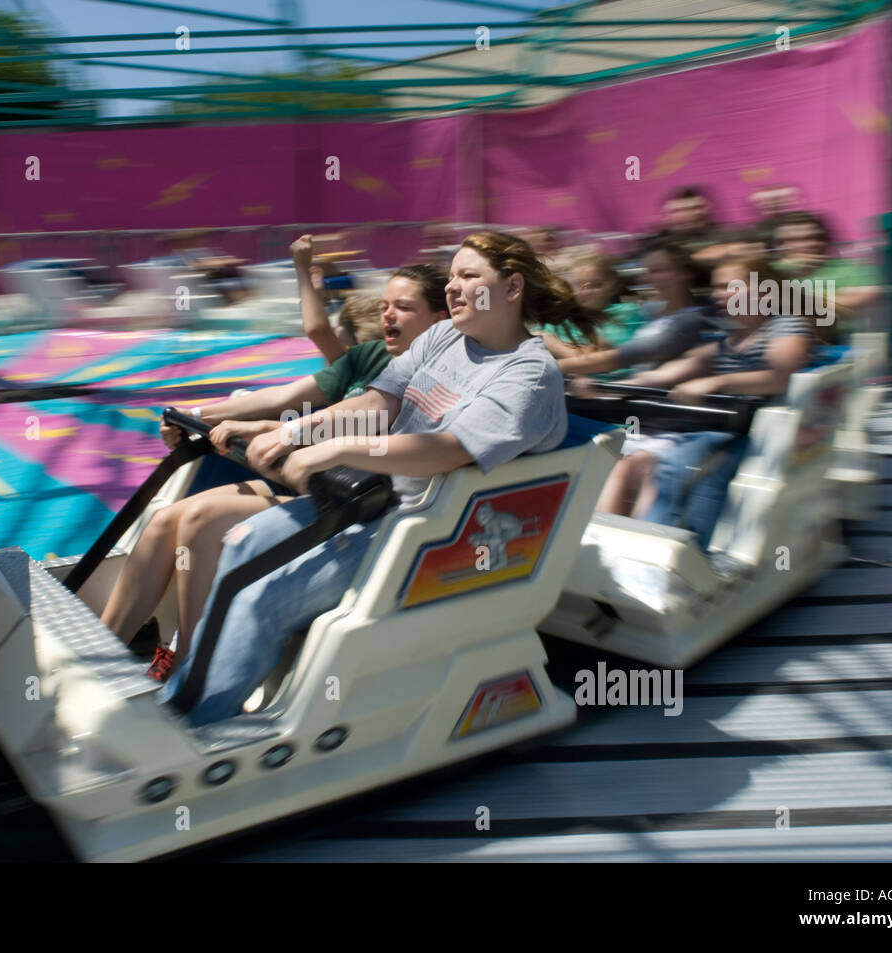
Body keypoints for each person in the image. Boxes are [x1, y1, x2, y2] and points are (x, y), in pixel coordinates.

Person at [159, 231, 603, 726]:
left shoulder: (530, 374)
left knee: (266, 592)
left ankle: (193, 722)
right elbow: (377, 404)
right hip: (375, 504)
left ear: (512, 287)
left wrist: (341, 447)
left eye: (468, 275)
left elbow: (448, 450)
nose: (453, 286)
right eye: (451, 275)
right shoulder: (444, 338)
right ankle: (191, 694)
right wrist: (296, 430)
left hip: (428, 532)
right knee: (241, 541)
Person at [100, 264, 449, 680]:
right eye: (386, 305)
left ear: (438, 320)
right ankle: (103, 651)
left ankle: (192, 666)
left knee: (199, 520)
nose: (388, 314)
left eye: (403, 307)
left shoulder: (433, 379)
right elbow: (282, 399)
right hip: (317, 491)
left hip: (355, 507)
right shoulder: (371, 358)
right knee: (163, 521)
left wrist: (276, 431)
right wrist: (195, 416)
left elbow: (332, 418)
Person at [596, 254, 815, 546]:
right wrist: (606, 388)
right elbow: (661, 376)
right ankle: (624, 544)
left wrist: (717, 380)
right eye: (717, 287)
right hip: (722, 426)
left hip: (763, 431)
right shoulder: (728, 338)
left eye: (730, 286)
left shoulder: (784, 326)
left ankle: (689, 553)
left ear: (763, 291)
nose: (719, 294)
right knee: (641, 462)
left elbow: (779, 376)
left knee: (682, 468)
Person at [557, 239, 721, 381]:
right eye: (648, 271)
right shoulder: (649, 310)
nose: (649, 278)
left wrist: (555, 365)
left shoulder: (692, 319)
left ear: (685, 273)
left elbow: (621, 356)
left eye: (660, 270)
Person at [771, 211, 884, 344]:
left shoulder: (851, 268)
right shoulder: (770, 270)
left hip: (842, 342)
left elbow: (861, 299)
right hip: (780, 343)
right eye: (794, 240)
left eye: (813, 238)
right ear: (780, 246)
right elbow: (754, 303)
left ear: (825, 241)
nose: (806, 245)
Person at [541, 254, 645, 359]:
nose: (587, 291)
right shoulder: (561, 322)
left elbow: (604, 352)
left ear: (613, 287)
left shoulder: (628, 312)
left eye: (596, 285)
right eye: (579, 285)